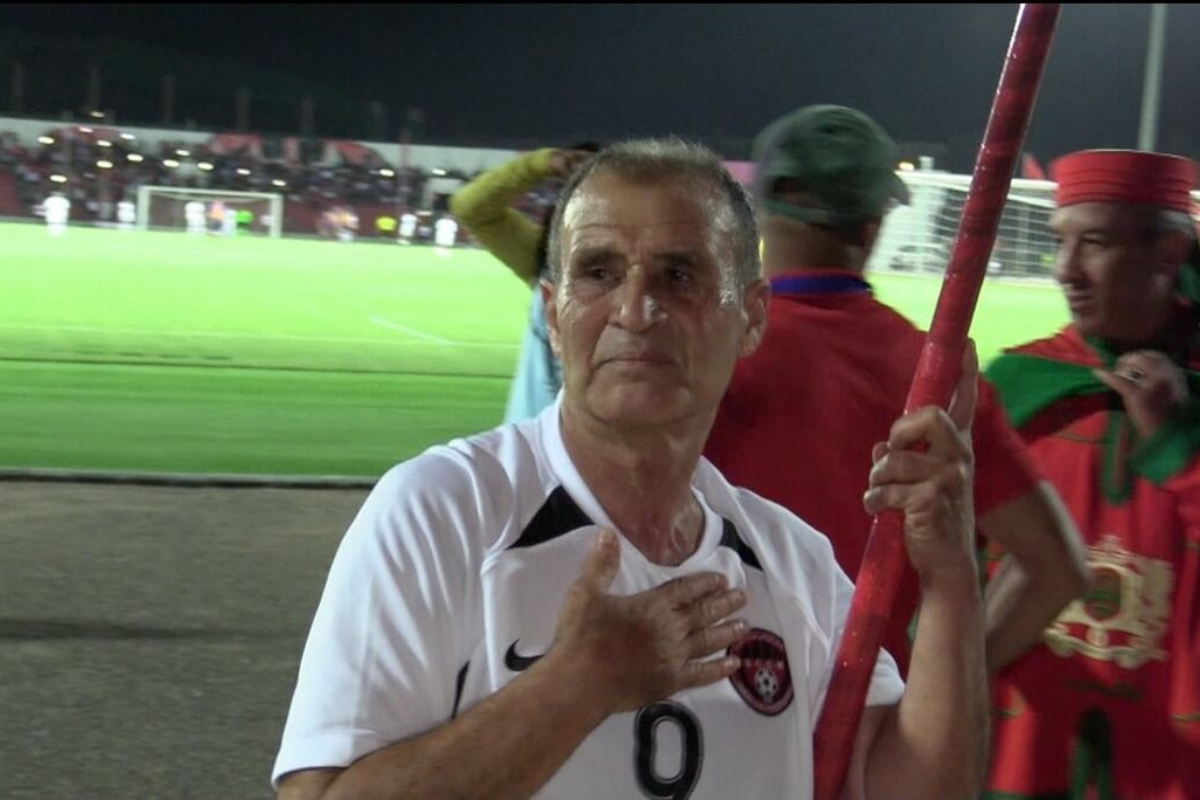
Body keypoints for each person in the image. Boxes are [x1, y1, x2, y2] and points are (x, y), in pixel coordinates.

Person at [273, 139, 988, 799]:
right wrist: (577, 686)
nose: (637, 309)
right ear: (553, 314)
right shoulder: (439, 514)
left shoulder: (792, 562)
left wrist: (951, 578)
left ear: (752, 318)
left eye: (679, 275)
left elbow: (917, 787)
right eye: (599, 272)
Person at [705, 104, 1087, 675]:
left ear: (755, 209)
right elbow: (1059, 566)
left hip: (707, 715)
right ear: (872, 226)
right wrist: (944, 690)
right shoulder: (935, 375)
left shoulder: (695, 352)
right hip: (863, 726)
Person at [983, 149, 1200, 799]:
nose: (1064, 271)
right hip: (1021, 752)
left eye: (1095, 244)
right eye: (1058, 243)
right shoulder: (1016, 386)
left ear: (1167, 255)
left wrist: (1175, 442)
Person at [450, 144, 598, 424]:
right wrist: (539, 165)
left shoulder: (638, 278)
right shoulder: (542, 256)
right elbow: (470, 208)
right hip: (527, 445)